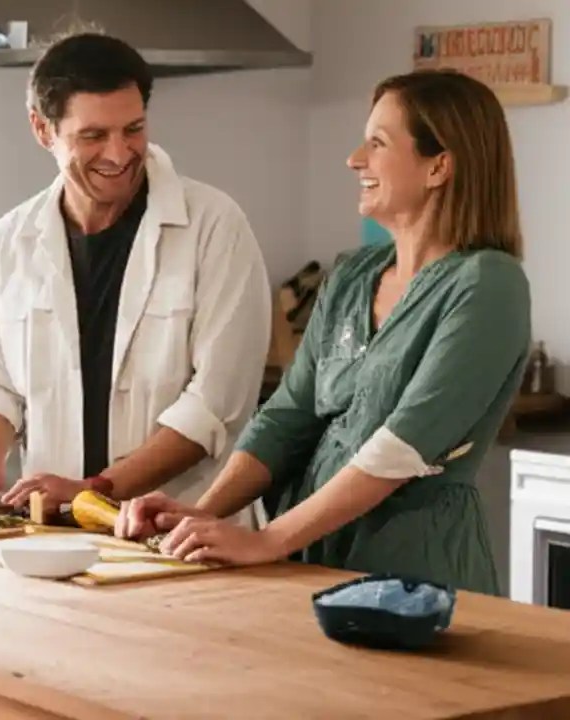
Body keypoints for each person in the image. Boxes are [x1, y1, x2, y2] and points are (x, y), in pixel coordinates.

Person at [116, 68, 530, 596]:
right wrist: (198, 517)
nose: (355, 159)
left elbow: (402, 447)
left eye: (377, 143)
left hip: (411, 570)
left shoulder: (488, 284)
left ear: (439, 166)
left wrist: (267, 542)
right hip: (307, 559)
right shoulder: (353, 274)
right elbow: (289, 416)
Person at [0, 32, 272, 523]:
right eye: (93, 136)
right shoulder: (9, 241)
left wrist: (92, 491)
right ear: (42, 129)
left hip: (180, 531)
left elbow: (215, 406)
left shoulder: (214, 226)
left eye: (133, 129)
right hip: (49, 535)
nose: (119, 154)